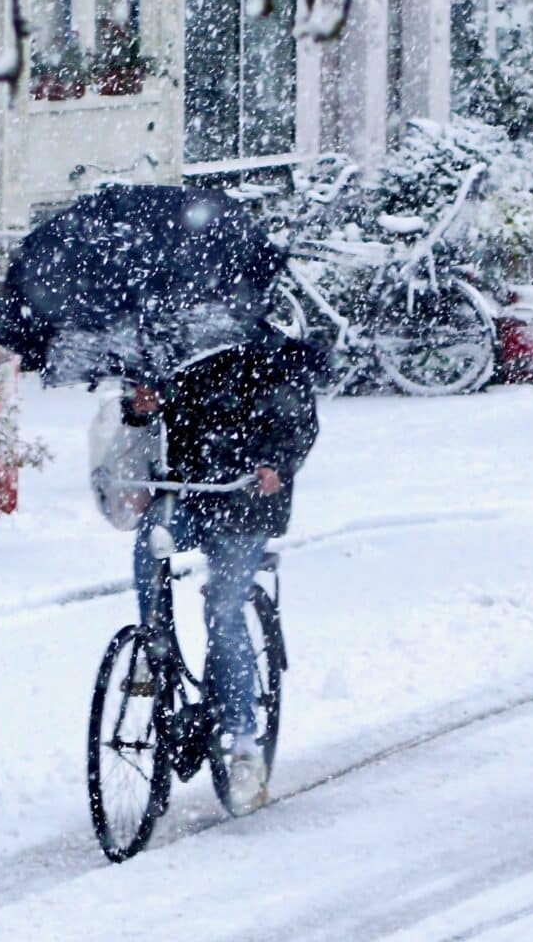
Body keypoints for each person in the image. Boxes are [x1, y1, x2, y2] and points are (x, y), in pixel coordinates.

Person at [125, 328, 321, 815]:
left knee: (223, 610)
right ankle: (154, 644)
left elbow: (299, 423)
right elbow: (155, 412)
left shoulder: (273, 357)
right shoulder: (179, 348)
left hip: (247, 502)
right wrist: (141, 407)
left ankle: (244, 747)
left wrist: (276, 463)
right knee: (149, 542)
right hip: (191, 494)